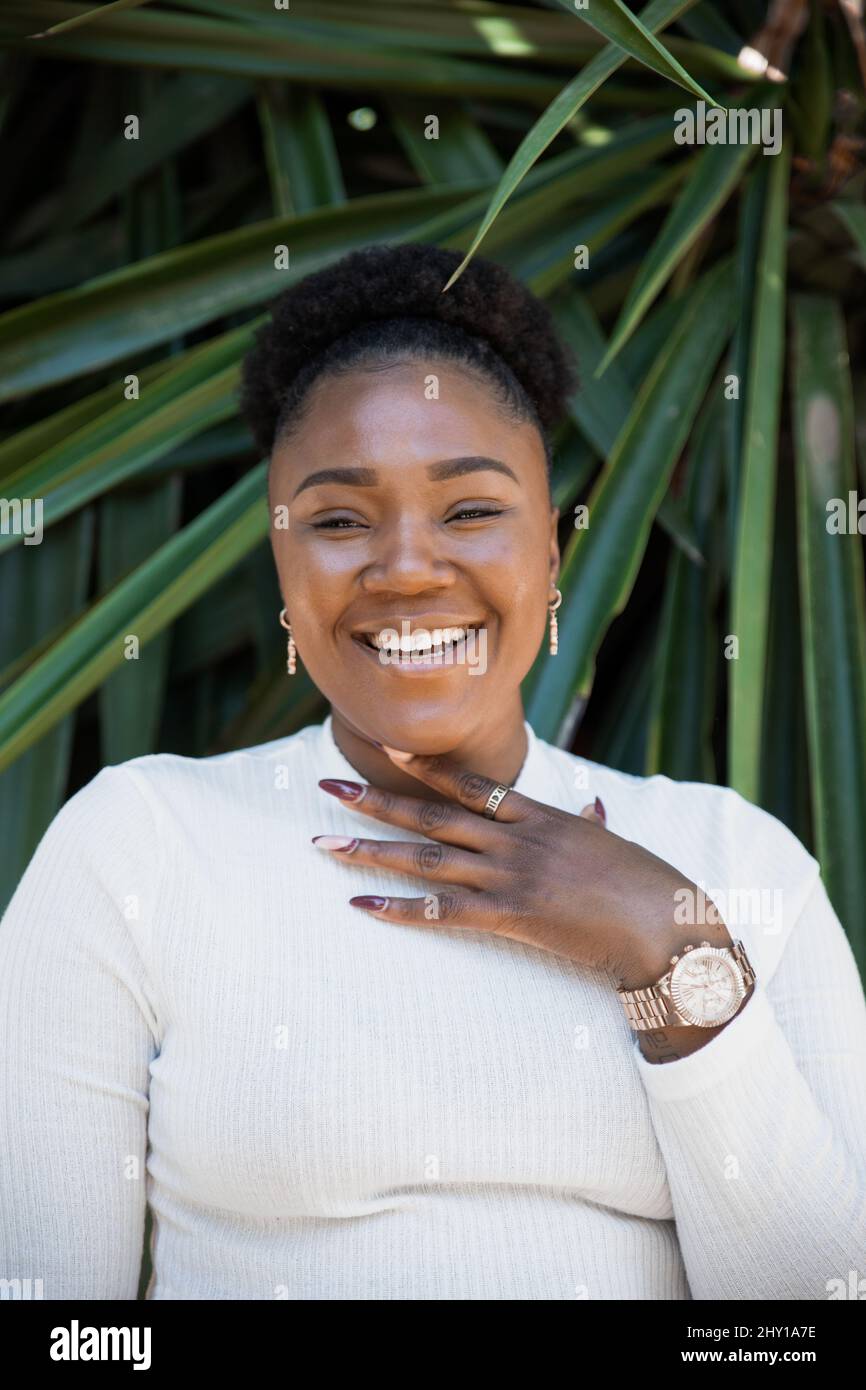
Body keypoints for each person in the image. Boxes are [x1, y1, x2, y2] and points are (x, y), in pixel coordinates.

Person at [1, 243, 865, 1301]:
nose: (408, 568)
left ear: (550, 555)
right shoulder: (139, 846)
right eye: (337, 520)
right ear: (283, 566)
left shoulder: (733, 861)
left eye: (469, 511)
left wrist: (666, 945)